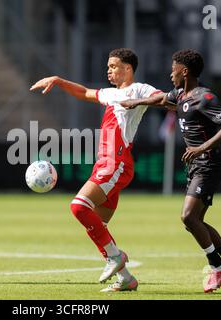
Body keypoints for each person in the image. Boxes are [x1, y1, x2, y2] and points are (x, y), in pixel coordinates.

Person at [30, 48, 163, 292]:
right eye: (108, 66)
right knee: (98, 225)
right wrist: (58, 80)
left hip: (117, 162)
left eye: (113, 66)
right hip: (105, 163)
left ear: (128, 68)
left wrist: (136, 102)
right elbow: (84, 93)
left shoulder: (139, 89)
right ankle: (125, 278)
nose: (109, 70)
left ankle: (116, 258)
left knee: (79, 207)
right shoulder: (111, 94)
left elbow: (164, 98)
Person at [121, 49, 221, 293]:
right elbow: (162, 100)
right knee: (195, 221)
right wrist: (136, 102)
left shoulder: (204, 97)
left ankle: (216, 267)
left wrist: (201, 147)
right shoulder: (181, 94)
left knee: (188, 217)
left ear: (185, 71)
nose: (171, 74)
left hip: (209, 163)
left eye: (174, 69)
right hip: (197, 165)